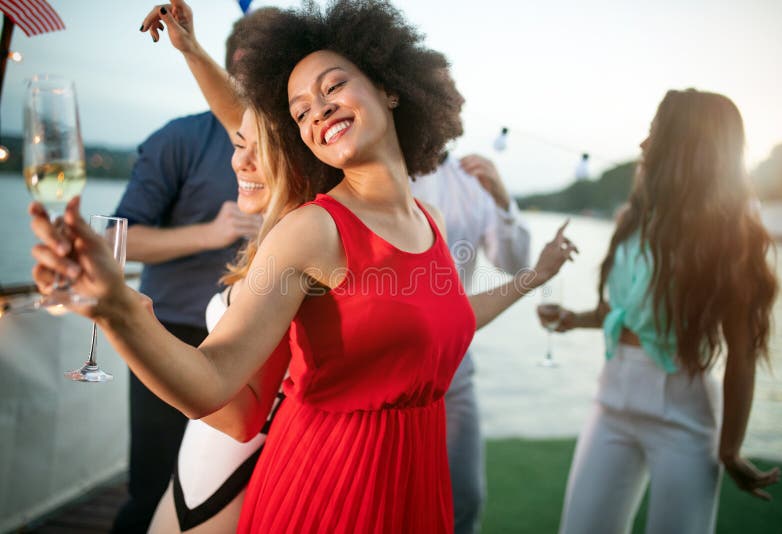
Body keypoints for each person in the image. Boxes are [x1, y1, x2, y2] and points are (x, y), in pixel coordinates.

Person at [29, 1, 576, 531]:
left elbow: (450, 318)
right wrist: (119, 311)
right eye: (300, 112)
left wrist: (535, 275)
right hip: (326, 491)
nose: (319, 110)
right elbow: (215, 381)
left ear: (390, 87)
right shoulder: (311, 231)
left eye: (333, 87)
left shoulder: (428, 219)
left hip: (415, 486)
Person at [542, 89, 781, 534]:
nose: (642, 143)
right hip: (612, 400)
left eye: (654, 131)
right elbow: (622, 313)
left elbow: (742, 353)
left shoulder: (731, 237)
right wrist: (573, 319)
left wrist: (730, 448)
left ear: (684, 146)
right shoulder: (632, 218)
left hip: (684, 414)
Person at [109, 14, 262, 530]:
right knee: (151, 488)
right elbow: (115, 239)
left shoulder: (294, 149)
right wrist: (209, 234)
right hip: (170, 332)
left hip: (253, 348)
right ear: (235, 64)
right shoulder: (179, 138)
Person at [411, 152, 530, 533]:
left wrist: (503, 199)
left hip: (453, 368)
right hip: (384, 369)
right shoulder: (375, 169)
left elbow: (515, 263)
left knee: (465, 497)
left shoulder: (472, 181)